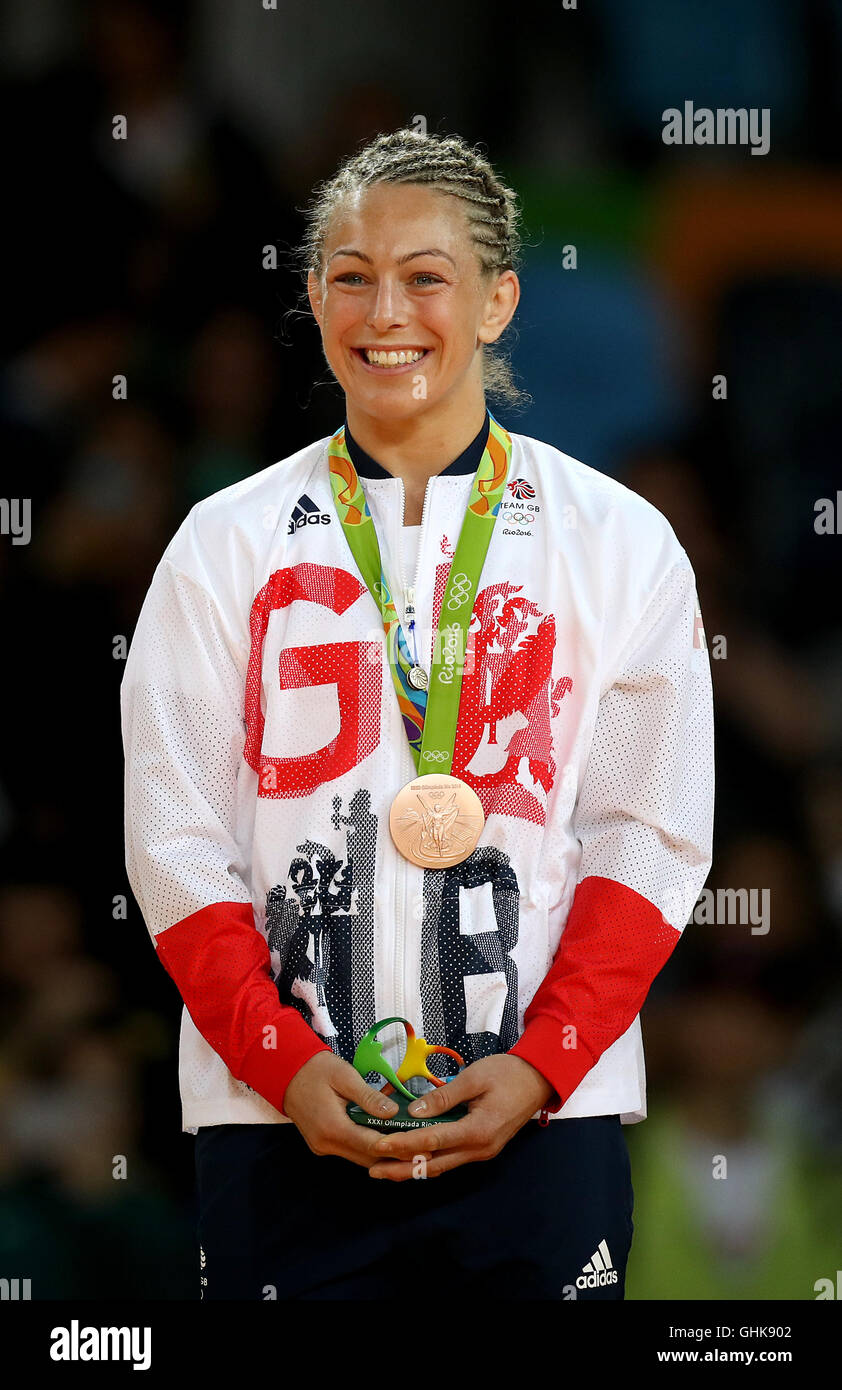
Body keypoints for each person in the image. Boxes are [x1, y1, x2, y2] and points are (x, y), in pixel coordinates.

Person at [120, 128, 715, 1301]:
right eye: (350, 275)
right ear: (312, 295)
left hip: (544, 1124)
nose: (384, 308)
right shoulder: (220, 545)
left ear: (495, 301)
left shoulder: (617, 543)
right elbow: (174, 842)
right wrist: (280, 1064)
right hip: (275, 1119)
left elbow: (646, 838)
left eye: (425, 277)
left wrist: (543, 1065)